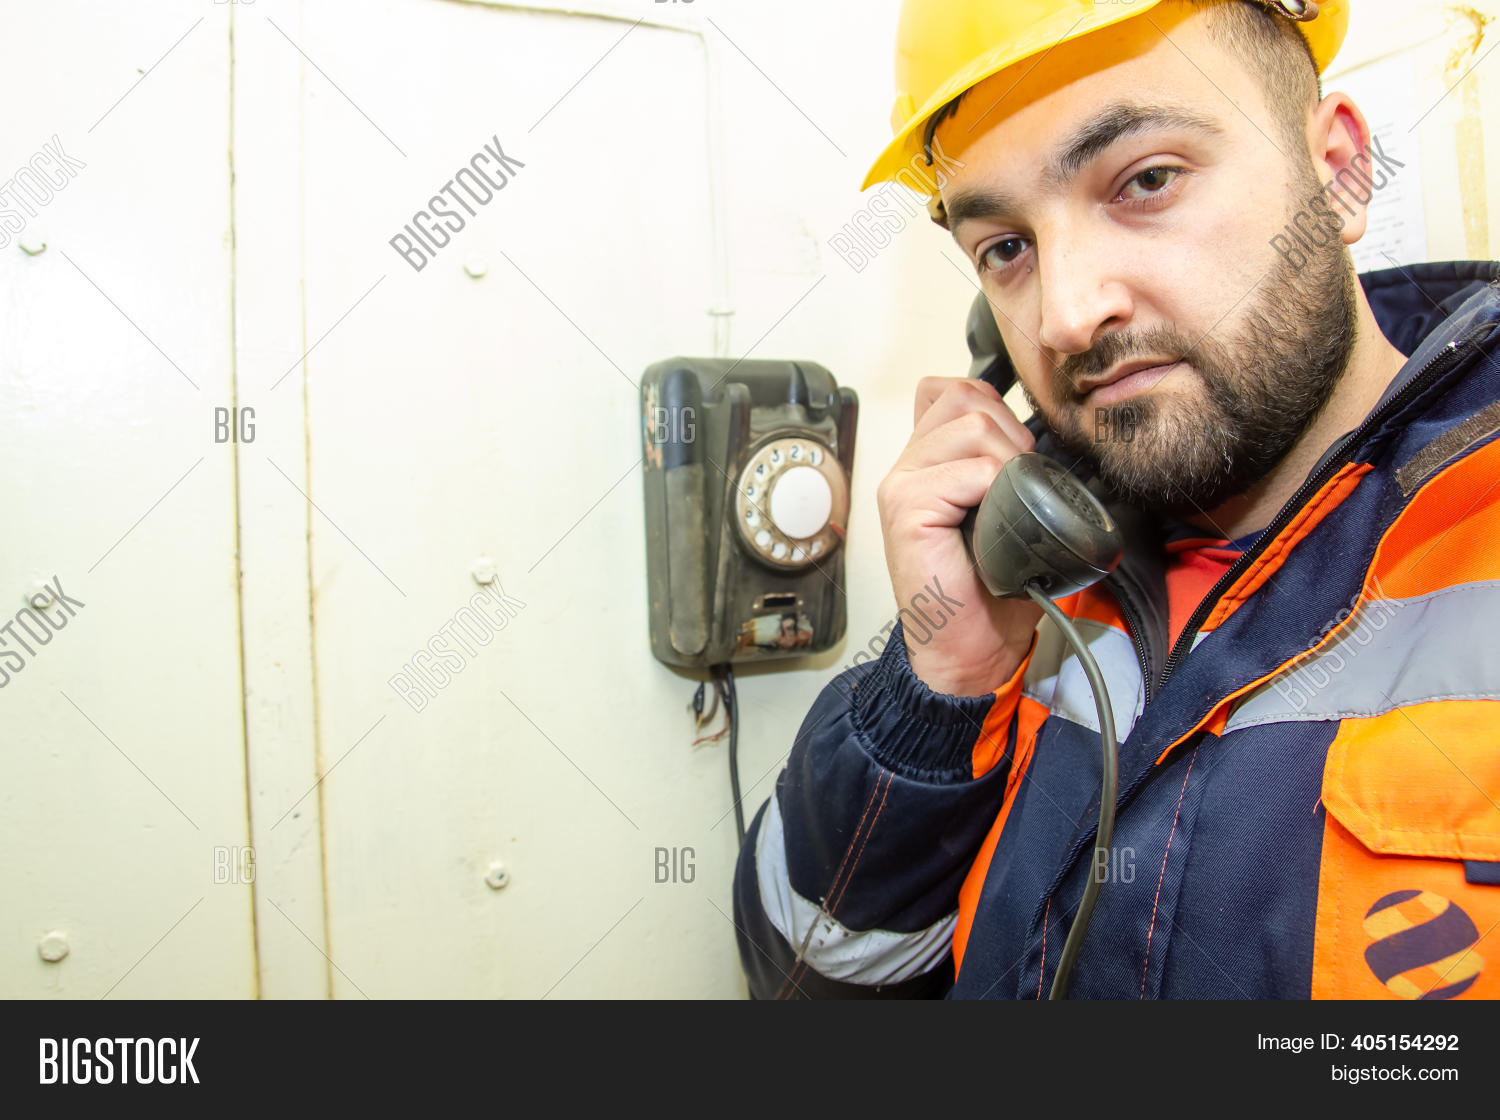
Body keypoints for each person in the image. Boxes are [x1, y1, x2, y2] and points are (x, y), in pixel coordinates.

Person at [732, 0, 1500, 999]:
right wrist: (935, 690)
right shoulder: (1028, 578)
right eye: (1006, 249)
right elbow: (806, 980)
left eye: (1146, 180)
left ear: (1339, 171)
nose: (1065, 314)